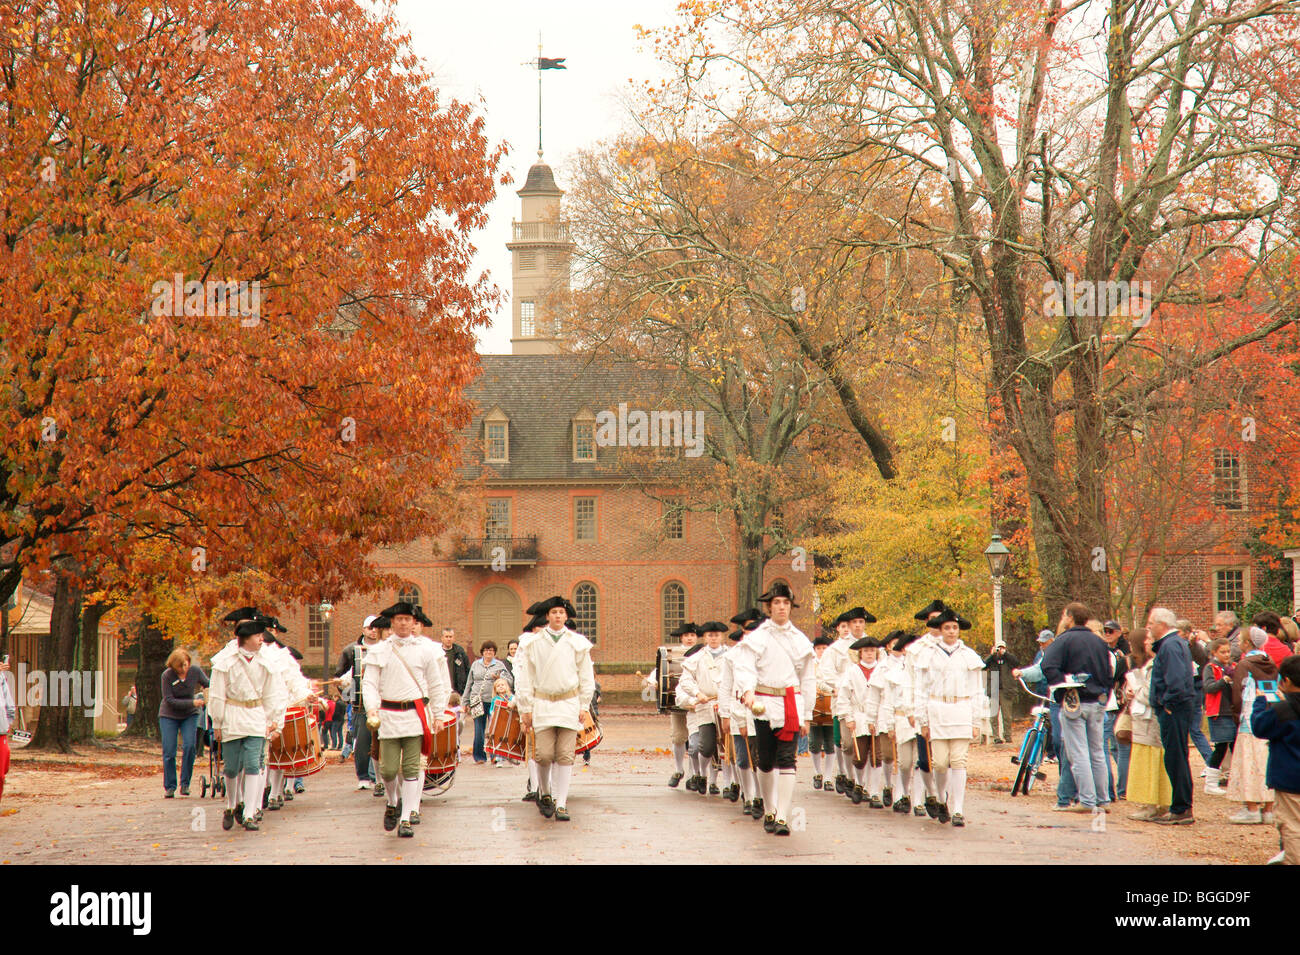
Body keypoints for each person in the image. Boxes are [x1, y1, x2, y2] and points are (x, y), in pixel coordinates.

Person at [734, 582, 815, 836]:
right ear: (769, 607)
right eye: (777, 603)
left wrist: (807, 714)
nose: (781, 607)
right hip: (763, 705)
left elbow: (808, 679)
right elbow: (745, 667)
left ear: (791, 607)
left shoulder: (800, 640)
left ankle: (782, 816)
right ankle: (769, 809)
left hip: (791, 704)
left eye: (786, 603)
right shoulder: (757, 638)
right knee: (766, 762)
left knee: (787, 759)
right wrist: (747, 692)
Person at [363, 601, 449, 836]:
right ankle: (393, 802)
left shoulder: (426, 651)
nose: (403, 623)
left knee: (412, 770)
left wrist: (439, 714)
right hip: (388, 717)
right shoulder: (379, 650)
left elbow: (436, 683)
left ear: (414, 623)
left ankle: (406, 819)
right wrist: (371, 708)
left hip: (415, 716)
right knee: (389, 770)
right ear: (392, 622)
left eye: (407, 619)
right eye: (399, 619)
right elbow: (369, 683)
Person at [515, 595, 596, 822]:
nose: (558, 616)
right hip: (542, 704)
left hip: (569, 704)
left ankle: (561, 803)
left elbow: (586, 677)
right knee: (543, 755)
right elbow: (525, 678)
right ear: (547, 616)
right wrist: (526, 708)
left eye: (562, 612)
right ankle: (545, 792)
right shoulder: (533, 643)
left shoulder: (577, 643)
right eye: (554, 613)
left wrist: (584, 704)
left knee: (565, 755)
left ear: (566, 616)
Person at [209, 621, 287, 831]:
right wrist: (217, 722)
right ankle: (231, 804)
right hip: (232, 716)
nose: (262, 639)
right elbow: (217, 694)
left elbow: (273, 692)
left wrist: (274, 721)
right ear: (245, 639)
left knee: (254, 765)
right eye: (257, 636)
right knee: (232, 768)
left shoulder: (266, 661)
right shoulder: (225, 661)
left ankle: (250, 813)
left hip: (255, 716)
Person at [913, 608, 987, 826]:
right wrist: (922, 720)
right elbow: (920, 689)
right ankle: (942, 797)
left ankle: (958, 809)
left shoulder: (969, 656)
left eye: (955, 627)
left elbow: (977, 690)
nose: (952, 631)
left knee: (959, 760)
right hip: (937, 709)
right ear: (940, 629)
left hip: (961, 709)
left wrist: (977, 719)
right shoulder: (928, 655)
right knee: (939, 763)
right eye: (947, 628)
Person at [1041, 602, 1112, 820]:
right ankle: (1103, 799)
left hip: (1075, 701)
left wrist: (1063, 684)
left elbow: (1048, 666)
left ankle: (1087, 800)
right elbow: (1109, 671)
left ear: (1069, 617)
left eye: (1064, 616)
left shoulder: (1064, 640)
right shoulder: (1099, 642)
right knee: (1098, 751)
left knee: (1078, 752)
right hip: (1098, 700)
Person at [1247, 654, 1300, 863]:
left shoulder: (1284, 710)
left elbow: (1260, 727)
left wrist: (1261, 701)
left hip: (1289, 779)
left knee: (1292, 827)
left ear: (1286, 681)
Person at [1147, 606, 1197, 824]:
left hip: (1174, 708)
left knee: (1175, 757)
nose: (1148, 627)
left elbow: (1176, 679)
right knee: (1176, 756)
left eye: (1151, 623)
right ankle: (1181, 806)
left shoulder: (1170, 646)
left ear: (1162, 625)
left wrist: (1166, 702)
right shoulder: (1175, 644)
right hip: (1176, 706)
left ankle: (1181, 808)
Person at [1226, 627, 1278, 824]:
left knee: (1249, 761)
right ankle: (1268, 809)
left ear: (1248, 644)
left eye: (1241, 641)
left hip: (1249, 717)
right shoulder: (1270, 662)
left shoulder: (1244, 664)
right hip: (1268, 715)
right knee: (1265, 760)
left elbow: (1239, 695)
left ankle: (1251, 807)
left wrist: (1236, 714)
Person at [335, 615, 388, 793]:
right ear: (363, 629)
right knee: (363, 741)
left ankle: (379, 778)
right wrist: (345, 691)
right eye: (369, 628)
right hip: (361, 704)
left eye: (376, 628)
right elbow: (345, 674)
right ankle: (364, 776)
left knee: (383, 741)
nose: (373, 630)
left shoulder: (386, 649)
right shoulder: (353, 650)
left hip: (384, 703)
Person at [1123, 629, 1172, 820]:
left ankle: (1151, 804)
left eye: (1150, 639)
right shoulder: (1151, 665)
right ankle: (1157, 802)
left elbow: (1149, 695)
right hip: (1145, 721)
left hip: (1149, 721)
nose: (1147, 643)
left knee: (1150, 763)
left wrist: (1135, 688)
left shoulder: (1155, 666)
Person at [839, 636, 892, 807]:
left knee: (877, 755)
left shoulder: (883, 670)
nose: (869, 654)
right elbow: (844, 695)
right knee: (860, 756)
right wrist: (848, 717)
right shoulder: (852, 671)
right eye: (866, 651)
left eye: (872, 651)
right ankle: (860, 784)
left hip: (877, 717)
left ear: (877, 652)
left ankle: (874, 791)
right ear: (861, 653)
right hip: (859, 716)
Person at [677, 622, 729, 795]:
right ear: (705, 637)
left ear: (721, 637)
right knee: (706, 746)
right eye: (710, 635)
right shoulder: (697, 658)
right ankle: (702, 774)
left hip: (726, 706)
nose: (713, 638)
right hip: (705, 706)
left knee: (727, 746)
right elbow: (685, 680)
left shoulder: (731, 656)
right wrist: (697, 693)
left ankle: (729, 784)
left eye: (716, 635)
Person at [159, 648, 209, 797]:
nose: (183, 669)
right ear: (173, 666)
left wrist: (206, 692)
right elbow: (170, 700)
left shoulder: (195, 671)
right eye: (180, 667)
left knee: (189, 746)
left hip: (189, 715)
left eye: (186, 665)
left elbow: (208, 683)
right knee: (169, 750)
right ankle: (170, 786)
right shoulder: (167, 676)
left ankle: (185, 783)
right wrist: (193, 702)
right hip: (169, 714)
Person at [463, 641, 510, 764]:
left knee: (493, 729)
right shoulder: (475, 665)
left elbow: (509, 680)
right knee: (479, 729)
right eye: (486, 650)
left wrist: (500, 678)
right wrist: (465, 701)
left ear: (494, 652)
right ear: (482, 652)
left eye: (491, 650)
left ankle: (495, 755)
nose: (488, 652)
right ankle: (479, 756)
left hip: (494, 701)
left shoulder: (499, 665)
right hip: (477, 700)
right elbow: (469, 683)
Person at [1100, 621, 1131, 800]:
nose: (1107, 633)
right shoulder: (1106, 651)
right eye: (1105, 631)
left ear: (1119, 633)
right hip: (1112, 701)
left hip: (1121, 702)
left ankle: (1121, 790)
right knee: (1112, 746)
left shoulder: (1124, 653)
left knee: (1121, 745)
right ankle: (1118, 789)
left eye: (1110, 631)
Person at [1202, 637, 1237, 795]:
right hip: (1218, 711)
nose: (1226, 654)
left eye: (1228, 651)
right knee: (1221, 747)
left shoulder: (1233, 667)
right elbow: (1209, 687)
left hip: (1232, 711)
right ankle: (1210, 782)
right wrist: (1223, 681)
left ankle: (1236, 779)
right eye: (1222, 652)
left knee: (1235, 747)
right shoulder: (1211, 668)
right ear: (1214, 652)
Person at [809, 631, 839, 791]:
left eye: (824, 647)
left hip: (831, 707)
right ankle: (817, 772)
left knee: (830, 743)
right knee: (814, 743)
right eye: (819, 648)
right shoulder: (810, 664)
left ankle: (828, 777)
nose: (821, 650)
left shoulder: (831, 663)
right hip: (814, 709)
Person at [982, 643, 1022, 745]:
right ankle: (996, 737)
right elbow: (983, 665)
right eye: (998, 648)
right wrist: (992, 655)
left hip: (1006, 690)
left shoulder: (1009, 659)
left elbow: (1017, 663)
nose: (1000, 650)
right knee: (994, 715)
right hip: (994, 689)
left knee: (1007, 715)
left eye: (1002, 647)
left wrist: (1006, 654)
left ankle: (1008, 736)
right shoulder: (992, 660)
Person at [441, 628, 471, 702]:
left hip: (458, 692)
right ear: (442, 638)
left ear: (453, 638)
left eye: (450, 637)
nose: (448, 639)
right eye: (446, 636)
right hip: (442, 692)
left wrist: (464, 689)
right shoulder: (437, 653)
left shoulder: (460, 652)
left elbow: (467, 670)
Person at [0, 658, 15, 802]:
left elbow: (6, 698)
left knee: (1, 774)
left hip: (1, 731)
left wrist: (8, 719)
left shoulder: (1, 676)